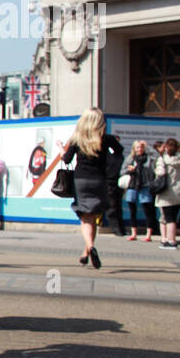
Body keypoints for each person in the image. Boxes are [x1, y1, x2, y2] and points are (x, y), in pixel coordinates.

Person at [56, 108, 123, 270]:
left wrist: (60, 148)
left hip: (81, 180)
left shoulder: (77, 139)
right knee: (93, 216)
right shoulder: (106, 139)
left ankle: (90, 246)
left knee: (85, 218)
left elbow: (66, 159)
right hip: (99, 180)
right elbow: (119, 151)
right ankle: (86, 252)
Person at [153, 138, 180, 249]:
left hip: (167, 192)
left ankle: (170, 241)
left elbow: (161, 173)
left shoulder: (162, 159)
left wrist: (156, 170)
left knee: (168, 218)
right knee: (174, 217)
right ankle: (172, 239)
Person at [122, 140, 158, 242]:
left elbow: (157, 156)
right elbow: (122, 171)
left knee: (148, 210)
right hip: (133, 185)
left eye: (141, 147)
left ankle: (148, 235)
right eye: (137, 147)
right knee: (132, 210)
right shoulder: (130, 158)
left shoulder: (149, 158)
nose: (140, 149)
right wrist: (130, 170)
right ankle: (134, 233)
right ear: (134, 148)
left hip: (145, 185)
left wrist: (148, 147)